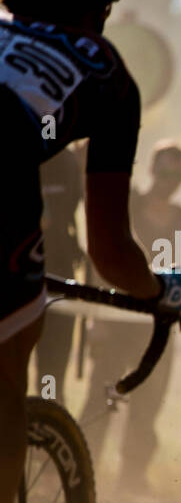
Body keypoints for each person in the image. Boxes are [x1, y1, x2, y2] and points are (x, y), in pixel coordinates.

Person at [0, 0, 181, 503]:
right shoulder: (107, 71)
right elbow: (112, 253)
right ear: (102, 9)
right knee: (7, 373)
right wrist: (164, 292)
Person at [81, 140, 181, 491]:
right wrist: (98, 319)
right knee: (102, 396)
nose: (168, 180)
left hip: (156, 322)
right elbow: (104, 258)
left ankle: (132, 475)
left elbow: (176, 268)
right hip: (117, 318)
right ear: (151, 170)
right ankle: (82, 470)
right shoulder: (128, 204)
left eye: (176, 174)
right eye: (164, 171)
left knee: (149, 400)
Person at [33, 146, 86, 398]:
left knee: (52, 374)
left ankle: (47, 423)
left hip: (59, 277)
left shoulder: (68, 163)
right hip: (17, 278)